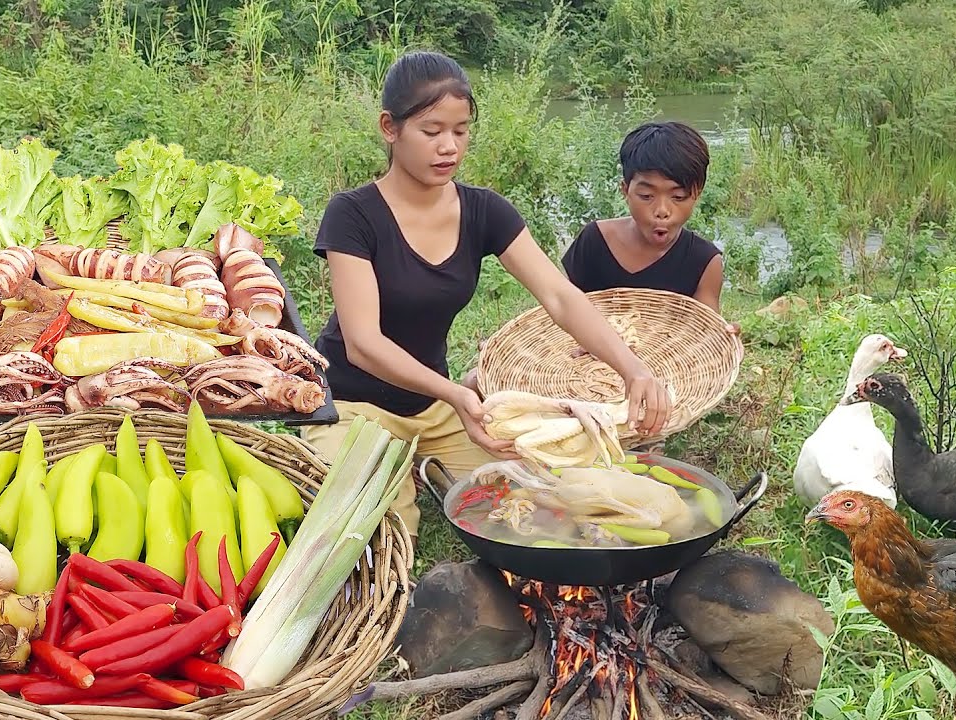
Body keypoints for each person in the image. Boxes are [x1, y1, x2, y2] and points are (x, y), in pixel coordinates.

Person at [301, 51, 673, 540]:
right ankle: (389, 474)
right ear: (390, 128)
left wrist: (633, 368)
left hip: (435, 409)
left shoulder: (483, 210)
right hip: (351, 404)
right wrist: (457, 394)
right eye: (431, 132)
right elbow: (363, 343)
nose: (448, 147)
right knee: (379, 530)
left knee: (529, 503)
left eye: (460, 130)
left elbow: (560, 296)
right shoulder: (353, 214)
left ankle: (416, 462)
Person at [562, 121, 738, 334]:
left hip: (667, 363)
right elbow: (565, 308)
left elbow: (706, 333)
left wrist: (724, 336)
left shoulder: (704, 261)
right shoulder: (595, 241)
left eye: (678, 197)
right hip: (590, 363)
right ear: (625, 190)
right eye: (646, 196)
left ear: (696, 194)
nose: (662, 210)